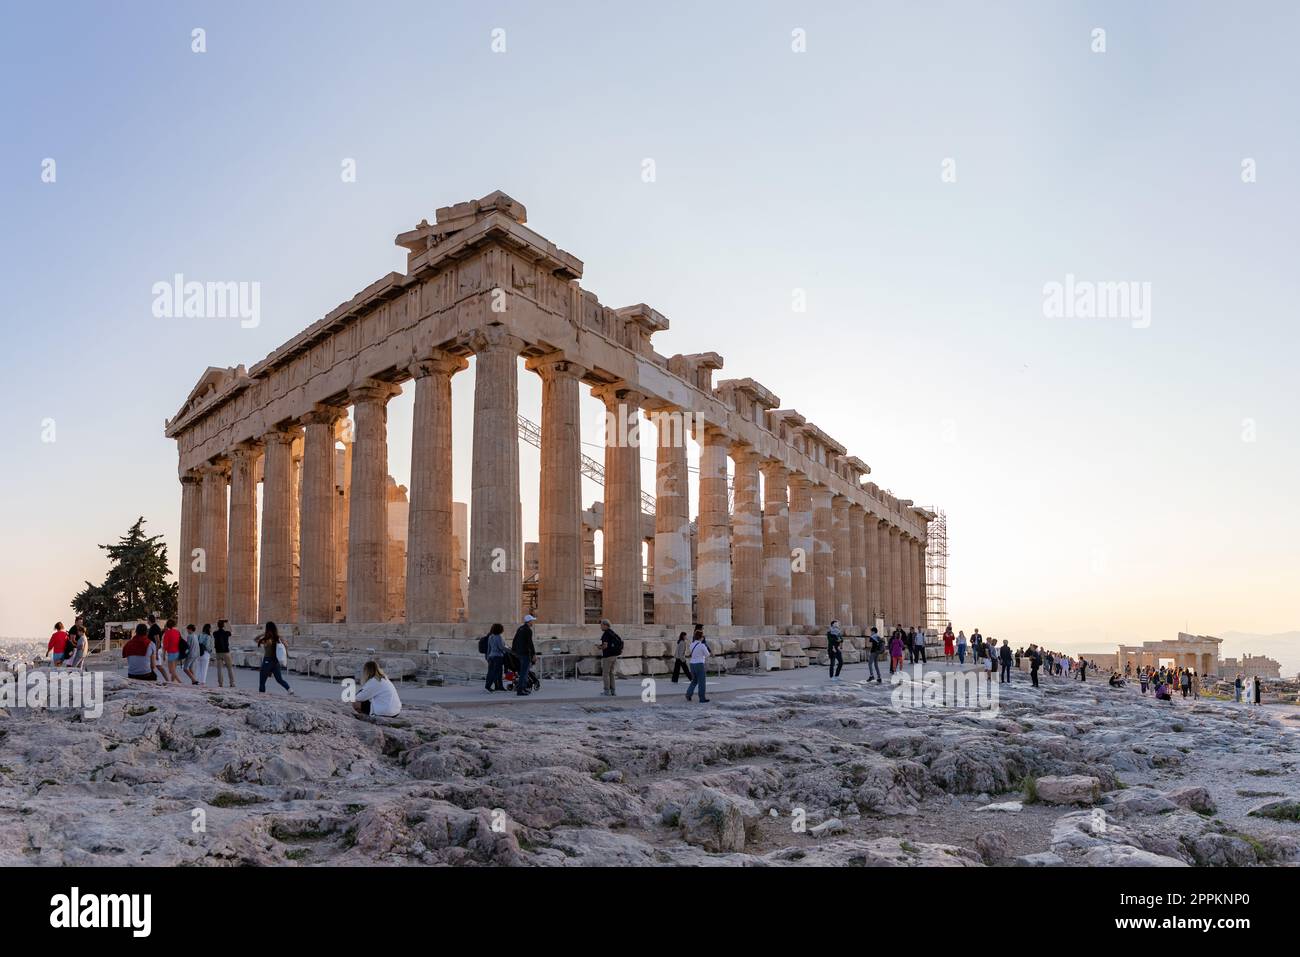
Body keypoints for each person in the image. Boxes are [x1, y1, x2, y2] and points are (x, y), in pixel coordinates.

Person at [255, 622, 293, 694]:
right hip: (276, 661)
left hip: (267, 661)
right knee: (279, 679)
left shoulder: (267, 639)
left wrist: (263, 633)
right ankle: (290, 689)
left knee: (262, 680)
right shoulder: (278, 638)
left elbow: (255, 639)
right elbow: (286, 645)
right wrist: (286, 655)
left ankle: (261, 695)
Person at [512, 614, 536, 697]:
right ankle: (520, 690)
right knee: (524, 673)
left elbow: (514, 641)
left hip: (520, 654)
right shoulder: (528, 630)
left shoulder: (520, 629)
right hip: (525, 654)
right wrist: (533, 654)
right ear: (529, 621)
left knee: (523, 672)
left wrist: (514, 651)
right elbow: (530, 643)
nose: (533, 622)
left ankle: (523, 688)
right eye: (532, 620)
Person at [598, 619, 622, 697]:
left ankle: (606, 691)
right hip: (614, 656)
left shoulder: (606, 634)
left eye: (601, 625)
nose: (600, 627)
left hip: (607, 656)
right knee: (611, 673)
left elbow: (605, 646)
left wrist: (599, 647)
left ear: (605, 625)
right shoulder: (612, 633)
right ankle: (613, 691)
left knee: (605, 674)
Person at [685, 629, 710, 703]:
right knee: (701, 682)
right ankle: (702, 698)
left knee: (694, 681)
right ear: (701, 637)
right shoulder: (702, 645)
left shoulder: (692, 644)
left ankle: (688, 694)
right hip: (699, 664)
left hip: (692, 664)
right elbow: (707, 654)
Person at [483, 623, 507, 692]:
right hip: (498, 657)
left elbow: (489, 648)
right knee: (495, 672)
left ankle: (499, 686)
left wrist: (487, 657)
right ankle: (488, 686)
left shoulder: (491, 636)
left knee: (493, 672)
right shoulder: (499, 637)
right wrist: (510, 651)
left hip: (491, 656)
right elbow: (501, 647)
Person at [212, 619, 236, 688]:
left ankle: (220, 684)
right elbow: (232, 631)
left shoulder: (215, 633)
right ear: (224, 626)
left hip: (218, 652)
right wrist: (228, 623)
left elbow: (214, 628)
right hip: (226, 652)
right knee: (230, 668)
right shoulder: (226, 633)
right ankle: (232, 683)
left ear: (218, 626)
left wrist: (218, 622)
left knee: (219, 669)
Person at [161, 618, 183, 683]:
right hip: (177, 652)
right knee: (173, 669)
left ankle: (179, 681)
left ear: (167, 625)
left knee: (171, 670)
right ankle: (173, 682)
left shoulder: (167, 633)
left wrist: (164, 655)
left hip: (171, 653)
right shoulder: (177, 632)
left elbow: (165, 645)